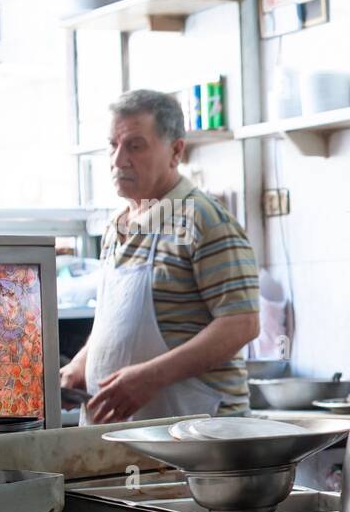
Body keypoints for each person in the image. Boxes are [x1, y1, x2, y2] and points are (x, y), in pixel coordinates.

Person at [61, 89, 260, 423]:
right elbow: (114, 321)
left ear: (175, 151)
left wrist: (151, 377)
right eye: (114, 145)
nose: (118, 160)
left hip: (199, 437)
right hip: (126, 439)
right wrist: (82, 363)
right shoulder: (115, 226)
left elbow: (241, 323)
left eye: (135, 146)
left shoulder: (203, 220)